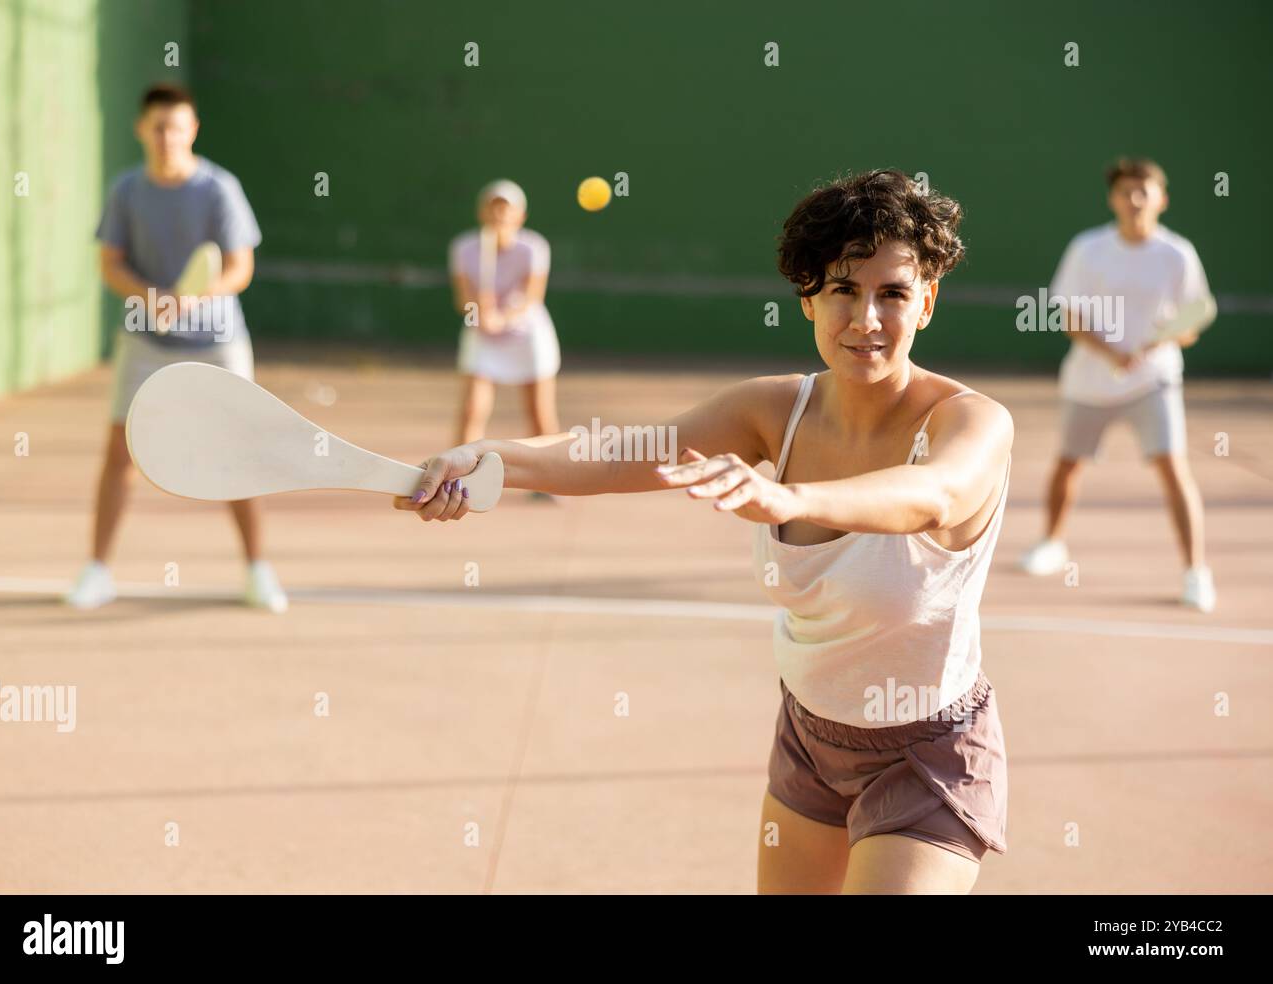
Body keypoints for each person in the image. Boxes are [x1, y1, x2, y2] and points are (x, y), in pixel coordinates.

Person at [396, 169, 1015, 894]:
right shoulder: (772, 410)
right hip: (810, 742)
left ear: (928, 302)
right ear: (809, 297)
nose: (866, 318)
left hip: (927, 753)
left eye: (893, 293)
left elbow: (935, 495)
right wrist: (491, 459)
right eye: (843, 289)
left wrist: (789, 497)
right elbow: (617, 452)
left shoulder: (971, 422)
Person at [64, 82, 288, 613]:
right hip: (145, 341)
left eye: (178, 128)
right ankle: (97, 572)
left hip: (217, 341)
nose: (168, 137)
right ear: (143, 130)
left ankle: (258, 571)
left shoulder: (218, 190)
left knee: (240, 453)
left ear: (193, 131)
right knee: (120, 452)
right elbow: (111, 263)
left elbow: (240, 268)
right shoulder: (126, 191)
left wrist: (196, 296)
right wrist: (151, 296)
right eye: (159, 128)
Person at [1018, 158, 1215, 612]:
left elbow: (1192, 321)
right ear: (1114, 199)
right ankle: (1052, 544)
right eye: (1126, 191)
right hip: (1089, 381)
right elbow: (1069, 317)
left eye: (1144, 191)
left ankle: (1195, 573)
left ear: (1161, 199)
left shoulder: (1178, 254)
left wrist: (1154, 345)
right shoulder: (1088, 249)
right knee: (1068, 465)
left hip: (1156, 381)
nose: (1135, 199)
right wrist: (1111, 353)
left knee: (1172, 467)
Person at [447, 181, 560, 502]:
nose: (499, 213)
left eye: (506, 207)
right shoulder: (464, 247)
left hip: (528, 336)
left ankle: (549, 482)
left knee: (540, 414)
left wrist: (504, 316)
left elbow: (532, 297)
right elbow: (463, 299)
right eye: (493, 206)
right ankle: (459, 482)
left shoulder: (534, 247)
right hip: (483, 337)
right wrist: (479, 313)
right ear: (482, 212)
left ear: (520, 215)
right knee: (472, 410)